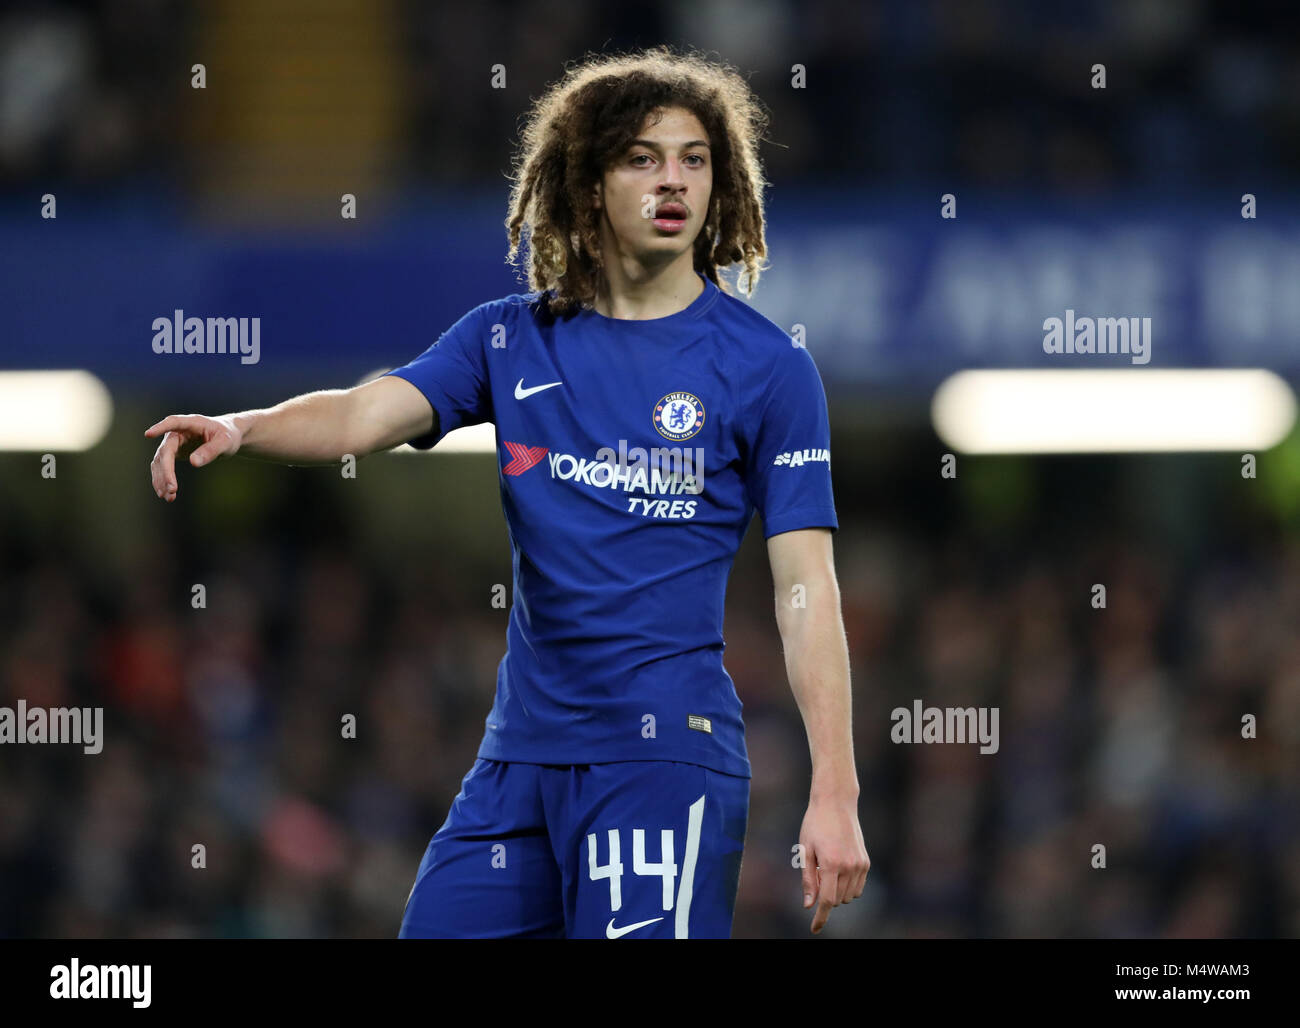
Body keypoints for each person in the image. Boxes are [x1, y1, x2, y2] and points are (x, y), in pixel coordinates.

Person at [145, 46, 869, 938]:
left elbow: (806, 590)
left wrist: (835, 789)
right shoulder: (507, 339)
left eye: (694, 159)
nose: (672, 180)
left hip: (662, 762)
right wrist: (245, 428)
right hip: (519, 762)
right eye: (641, 158)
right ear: (588, 182)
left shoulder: (768, 368)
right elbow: (364, 414)